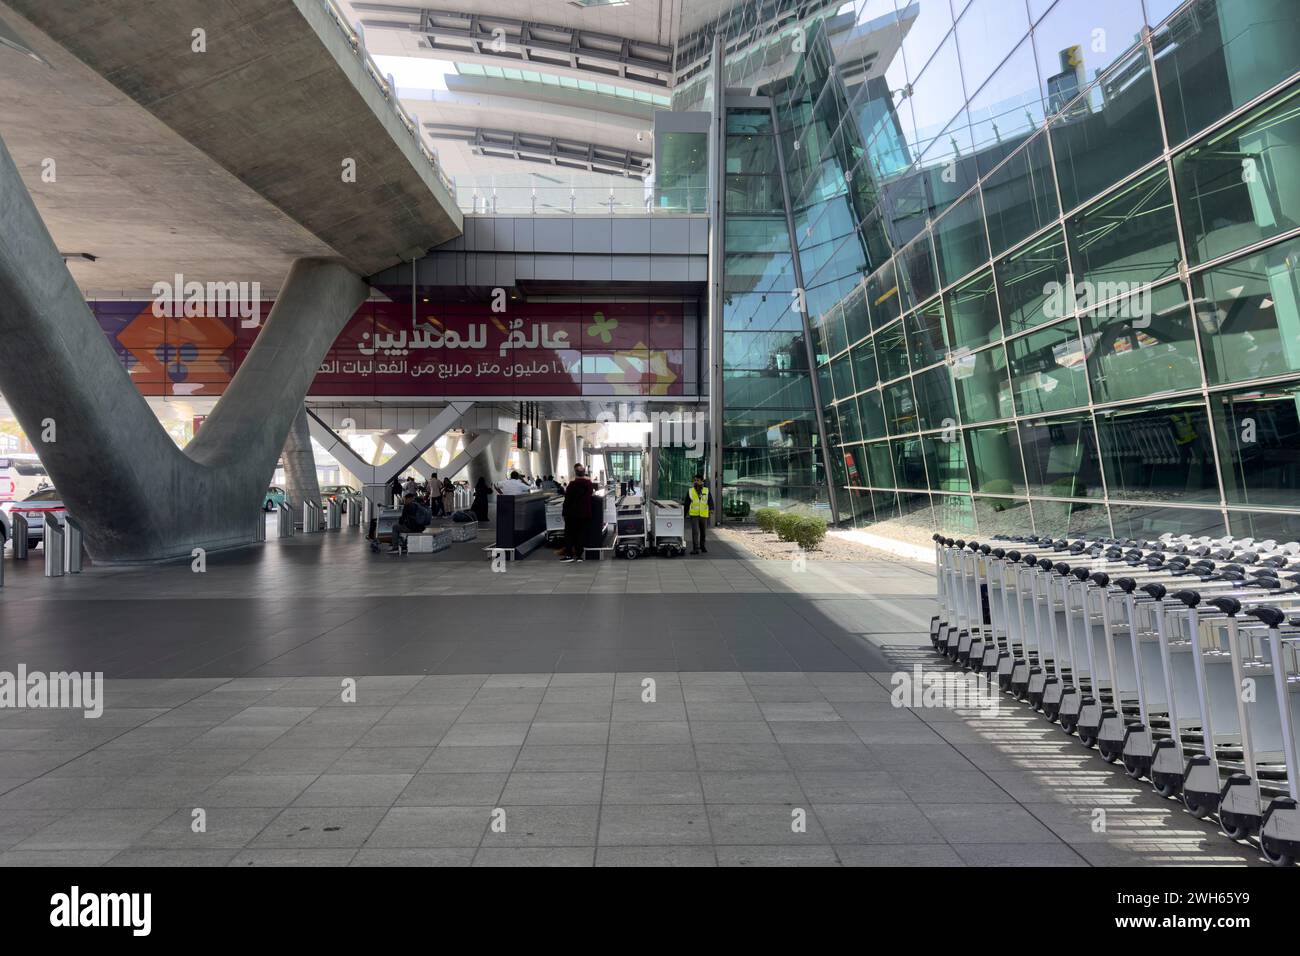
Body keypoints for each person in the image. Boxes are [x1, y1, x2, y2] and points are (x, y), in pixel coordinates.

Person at [561, 463, 595, 563]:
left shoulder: (572, 485)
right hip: (584, 514)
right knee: (581, 534)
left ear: (575, 472)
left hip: (572, 514)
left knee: (569, 534)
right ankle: (579, 556)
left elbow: (567, 501)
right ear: (584, 472)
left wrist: (564, 513)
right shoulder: (589, 484)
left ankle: (569, 555)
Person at [685, 473, 710, 555]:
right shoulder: (690, 491)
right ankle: (695, 548)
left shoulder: (706, 490)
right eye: (695, 480)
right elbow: (687, 503)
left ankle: (702, 546)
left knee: (703, 533)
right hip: (694, 515)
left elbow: (710, 501)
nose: (696, 482)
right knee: (695, 532)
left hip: (703, 515)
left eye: (698, 480)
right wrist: (684, 514)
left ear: (702, 481)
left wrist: (712, 509)